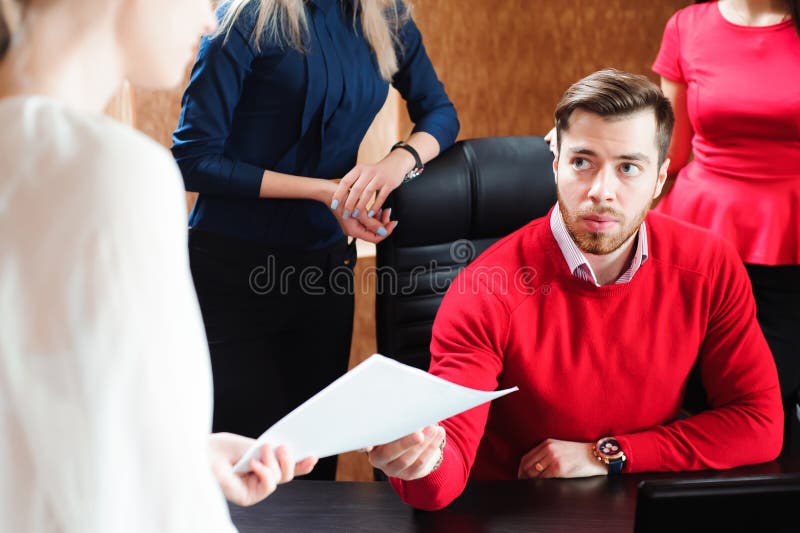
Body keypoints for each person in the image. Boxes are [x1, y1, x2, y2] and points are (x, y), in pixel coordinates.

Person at [366, 69, 784, 511]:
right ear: (556, 164)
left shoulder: (708, 265)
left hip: (638, 506)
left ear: (659, 179)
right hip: (516, 515)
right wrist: (419, 461)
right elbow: (442, 478)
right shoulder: (485, 289)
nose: (602, 192)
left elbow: (759, 423)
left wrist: (608, 453)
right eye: (582, 162)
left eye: (628, 168)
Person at [0, 1, 314, 532]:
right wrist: (175, 474)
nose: (211, 19)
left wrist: (186, 454)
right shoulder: (114, 173)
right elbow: (160, 510)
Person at [171, 0, 459, 479]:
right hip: (230, 274)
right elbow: (192, 159)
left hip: (322, 273)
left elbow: (439, 113)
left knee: (312, 462)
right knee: (247, 467)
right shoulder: (243, 19)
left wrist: (398, 160)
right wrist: (327, 193)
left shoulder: (386, 16)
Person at [651, 0, 800, 454]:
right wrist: (587, 138)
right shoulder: (687, 26)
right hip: (697, 238)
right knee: (683, 389)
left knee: (761, 399)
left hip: (789, 243)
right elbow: (670, 152)